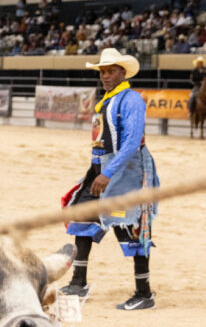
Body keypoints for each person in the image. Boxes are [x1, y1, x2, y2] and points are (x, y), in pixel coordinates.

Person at [59, 48, 159, 310]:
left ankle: (144, 293)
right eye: (102, 72)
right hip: (101, 171)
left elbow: (132, 142)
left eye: (110, 71)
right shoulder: (106, 100)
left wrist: (107, 173)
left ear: (122, 73)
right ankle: (78, 282)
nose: (105, 76)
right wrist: (97, 170)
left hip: (124, 173)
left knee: (128, 225)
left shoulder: (131, 100)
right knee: (82, 216)